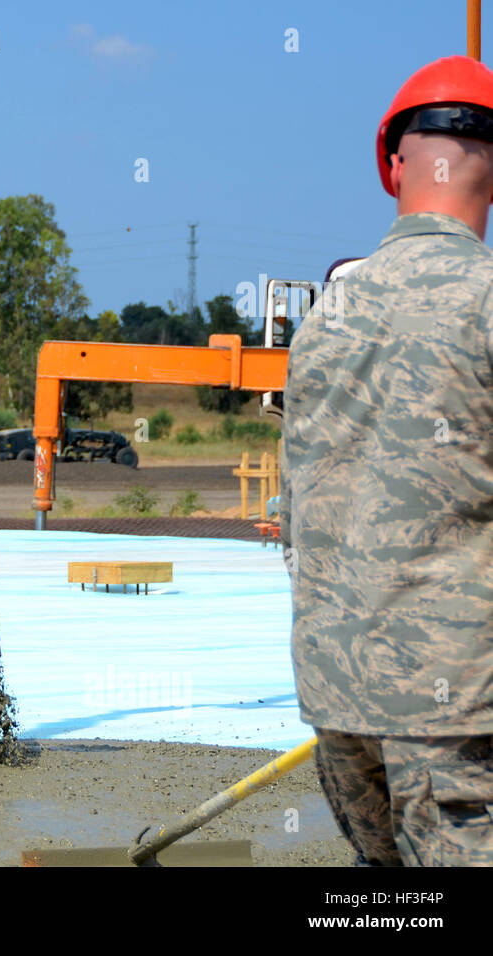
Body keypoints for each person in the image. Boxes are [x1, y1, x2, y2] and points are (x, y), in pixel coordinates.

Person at [281, 55, 493, 865]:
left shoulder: (325, 314)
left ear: (391, 165)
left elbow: (295, 511)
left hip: (337, 695)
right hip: (456, 708)